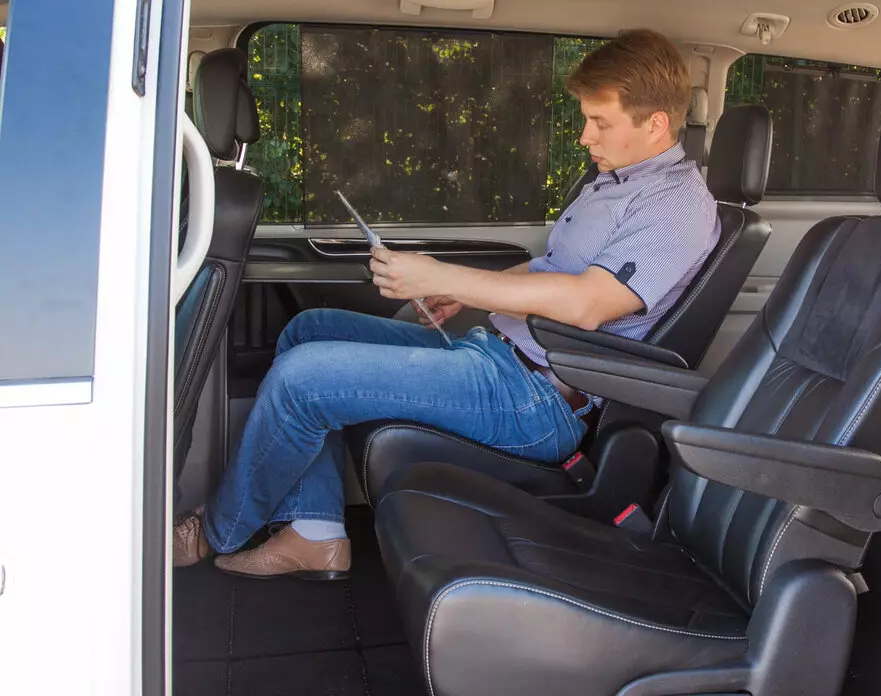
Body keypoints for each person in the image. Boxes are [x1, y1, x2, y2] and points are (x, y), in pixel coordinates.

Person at [173, 28, 720, 580]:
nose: (584, 137)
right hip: (500, 356)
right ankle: (315, 533)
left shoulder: (677, 207)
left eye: (600, 123)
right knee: (308, 329)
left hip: (537, 398)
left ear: (654, 124)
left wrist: (445, 275)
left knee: (301, 379)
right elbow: (552, 269)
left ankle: (217, 532)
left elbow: (587, 303)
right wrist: (454, 293)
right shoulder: (612, 182)